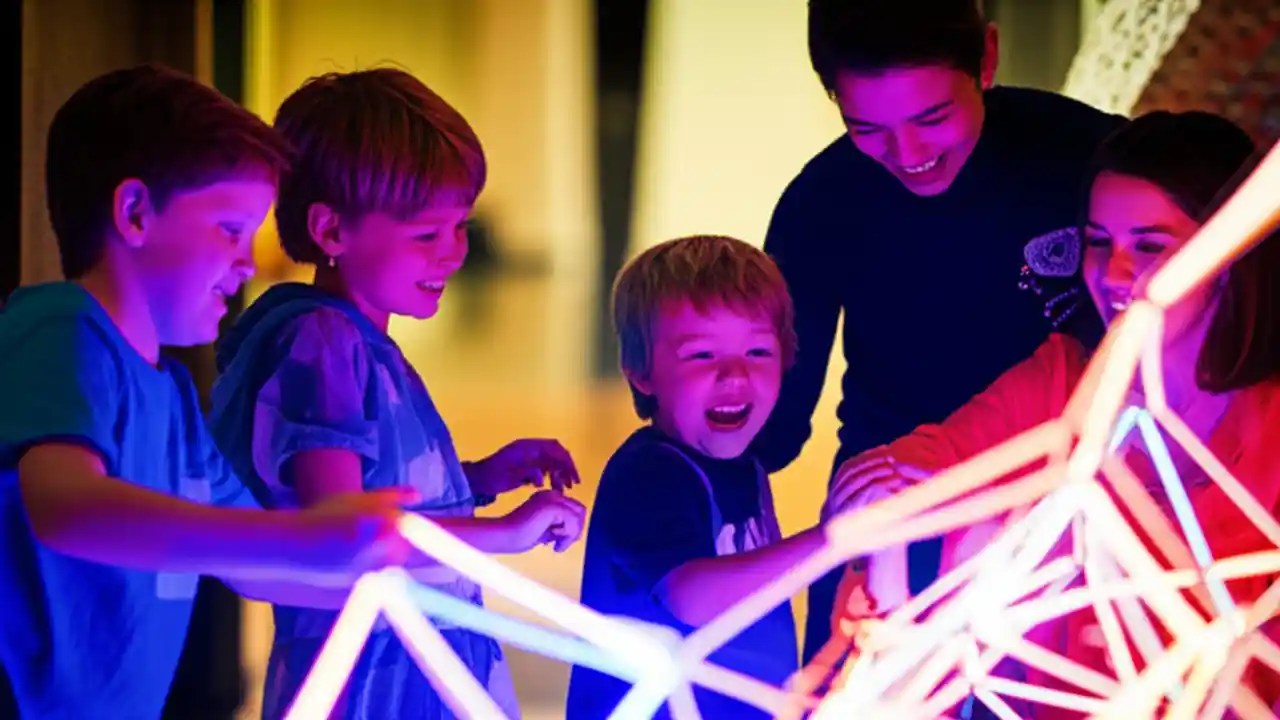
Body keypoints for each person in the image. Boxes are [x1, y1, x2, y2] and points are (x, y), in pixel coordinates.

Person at [828, 110, 1280, 716]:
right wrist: (880, 557)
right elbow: (910, 469)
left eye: (1150, 245)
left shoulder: (1270, 418)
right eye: (1098, 242)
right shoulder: (1061, 382)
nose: (1114, 272)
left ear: (1226, 256)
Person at [0, 64, 416, 720]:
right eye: (229, 229)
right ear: (135, 211)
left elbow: (256, 564)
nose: (248, 262)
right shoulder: (60, 326)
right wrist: (308, 540)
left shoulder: (172, 401)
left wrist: (395, 559)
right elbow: (65, 506)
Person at [751, 0, 1125, 660]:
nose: (910, 153)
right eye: (866, 127)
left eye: (933, 117)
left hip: (1073, 511)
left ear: (986, 57)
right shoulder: (824, 201)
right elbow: (773, 430)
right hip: (898, 517)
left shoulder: (1087, 157)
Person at [209, 68, 587, 719]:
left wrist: (480, 479)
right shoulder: (322, 343)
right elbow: (347, 533)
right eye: (426, 235)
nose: (454, 253)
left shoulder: (353, 341)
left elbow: (370, 492)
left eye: (461, 227)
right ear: (331, 232)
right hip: (372, 681)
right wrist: (500, 532)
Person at [568, 235, 824, 718]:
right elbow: (692, 597)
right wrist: (832, 542)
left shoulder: (747, 468)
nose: (734, 376)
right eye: (702, 356)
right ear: (641, 373)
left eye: (758, 353)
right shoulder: (650, 473)